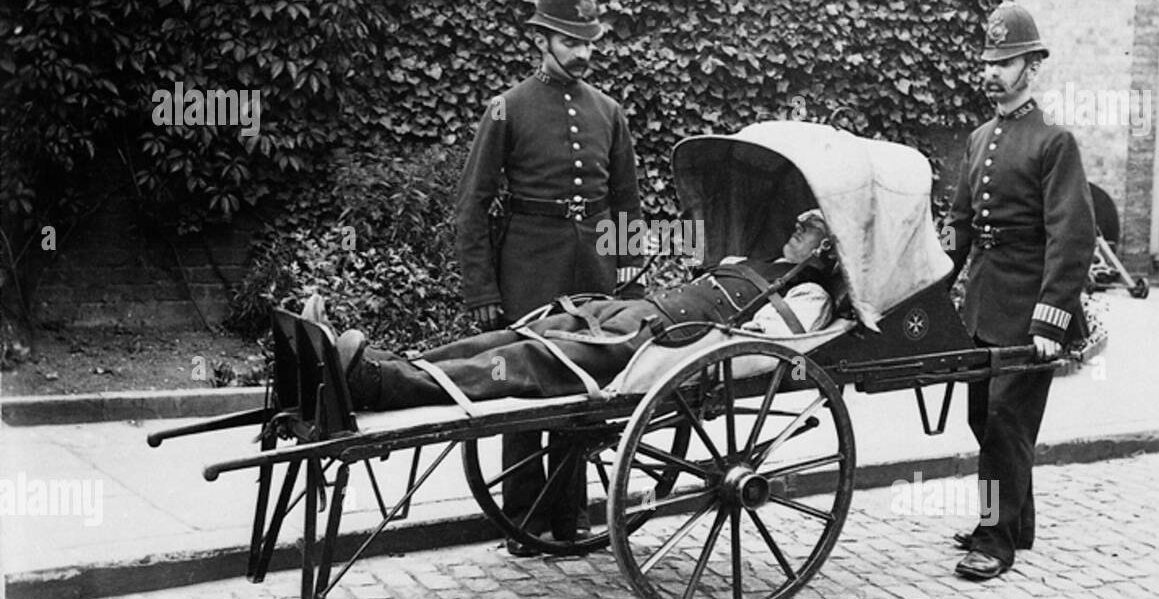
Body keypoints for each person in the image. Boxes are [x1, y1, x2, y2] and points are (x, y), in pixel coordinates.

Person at [454, 0, 645, 551]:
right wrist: (483, 294)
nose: (582, 53)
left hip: (591, 270)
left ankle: (572, 518)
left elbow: (626, 201)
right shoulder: (507, 109)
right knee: (526, 389)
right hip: (528, 266)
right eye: (570, 41)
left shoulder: (609, 111)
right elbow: (472, 206)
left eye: (588, 42)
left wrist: (630, 274)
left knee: (585, 389)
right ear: (542, 39)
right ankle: (525, 521)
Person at [315, 211, 836, 412]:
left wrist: (683, 358)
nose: (796, 227)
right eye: (800, 221)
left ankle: (379, 385)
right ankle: (383, 362)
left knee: (529, 360)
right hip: (634, 314)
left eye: (810, 227)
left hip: (661, 346)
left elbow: (767, 352)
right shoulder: (748, 261)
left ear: (826, 250)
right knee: (522, 333)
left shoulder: (809, 296)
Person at [942, 2, 1095, 581]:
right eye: (988, 61)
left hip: (1031, 310)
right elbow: (959, 227)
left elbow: (1072, 235)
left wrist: (1050, 321)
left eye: (1006, 62)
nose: (992, 72)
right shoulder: (981, 137)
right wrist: (928, 288)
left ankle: (995, 539)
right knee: (986, 420)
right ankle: (1017, 522)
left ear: (1032, 66)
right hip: (984, 303)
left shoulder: (1054, 142)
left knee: (1008, 422)